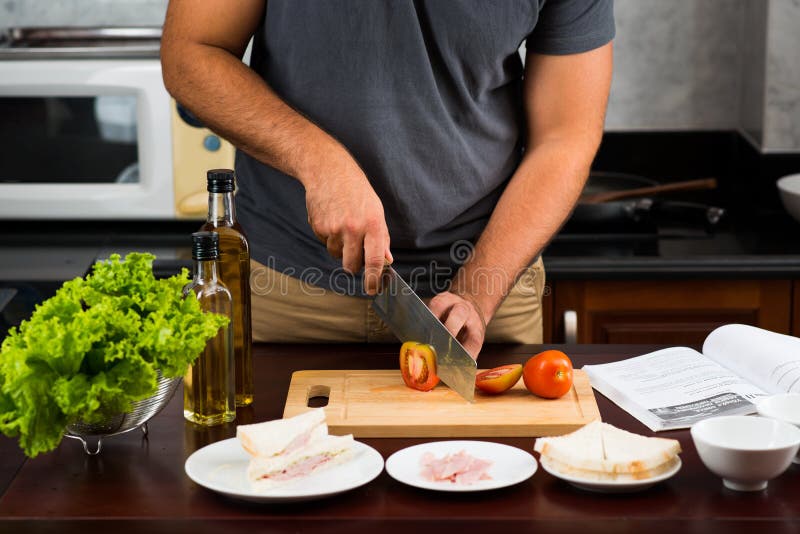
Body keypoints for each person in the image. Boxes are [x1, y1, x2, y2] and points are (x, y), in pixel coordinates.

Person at [161, 1, 614, 358]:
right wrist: (319, 161)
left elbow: (565, 137)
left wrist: (477, 291)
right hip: (288, 293)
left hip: (487, 292)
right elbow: (192, 52)